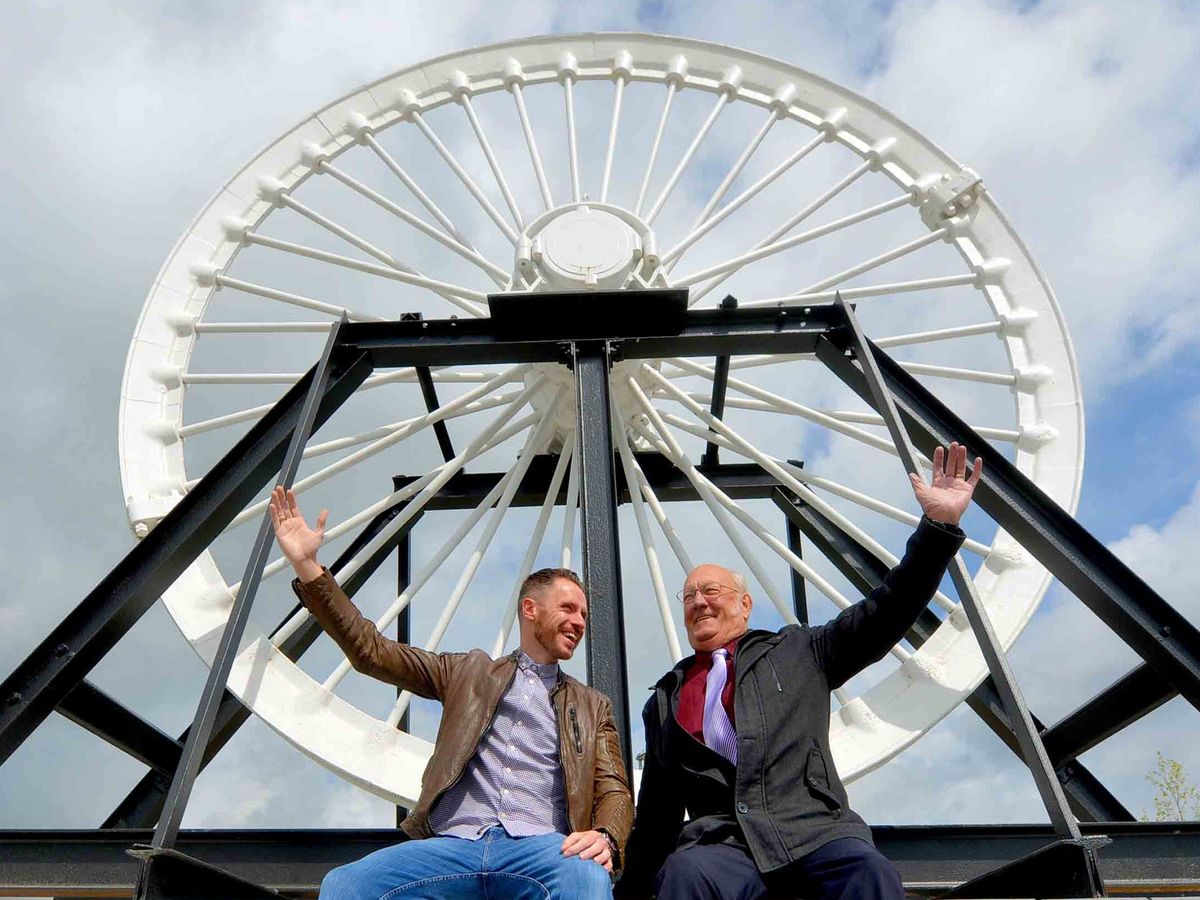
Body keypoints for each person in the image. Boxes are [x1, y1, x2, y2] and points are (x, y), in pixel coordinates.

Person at [615, 444, 983, 900]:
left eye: (710, 590)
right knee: (684, 875)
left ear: (744, 604)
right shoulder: (666, 700)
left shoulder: (800, 650)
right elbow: (657, 813)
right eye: (688, 597)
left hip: (811, 830)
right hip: (723, 846)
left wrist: (938, 530)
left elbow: (886, 611)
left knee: (868, 874)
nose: (698, 602)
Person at [268, 486, 633, 900]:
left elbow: (614, 787)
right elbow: (372, 652)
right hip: (453, 845)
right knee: (346, 884)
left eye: (583, 614)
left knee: (586, 878)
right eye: (568, 609)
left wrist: (607, 836)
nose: (579, 621)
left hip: (540, 848)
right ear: (530, 609)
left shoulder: (590, 705)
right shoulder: (467, 672)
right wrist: (308, 566)